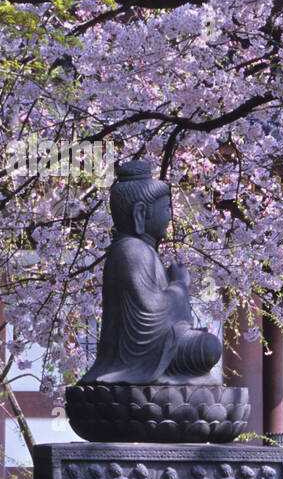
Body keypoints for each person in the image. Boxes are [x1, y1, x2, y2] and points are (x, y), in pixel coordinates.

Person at [81, 160, 220, 384]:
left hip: (157, 352)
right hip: (141, 360)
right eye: (165, 209)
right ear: (140, 213)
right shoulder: (131, 251)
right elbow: (149, 314)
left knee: (207, 345)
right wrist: (179, 285)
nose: (169, 218)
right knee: (208, 347)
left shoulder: (144, 251)